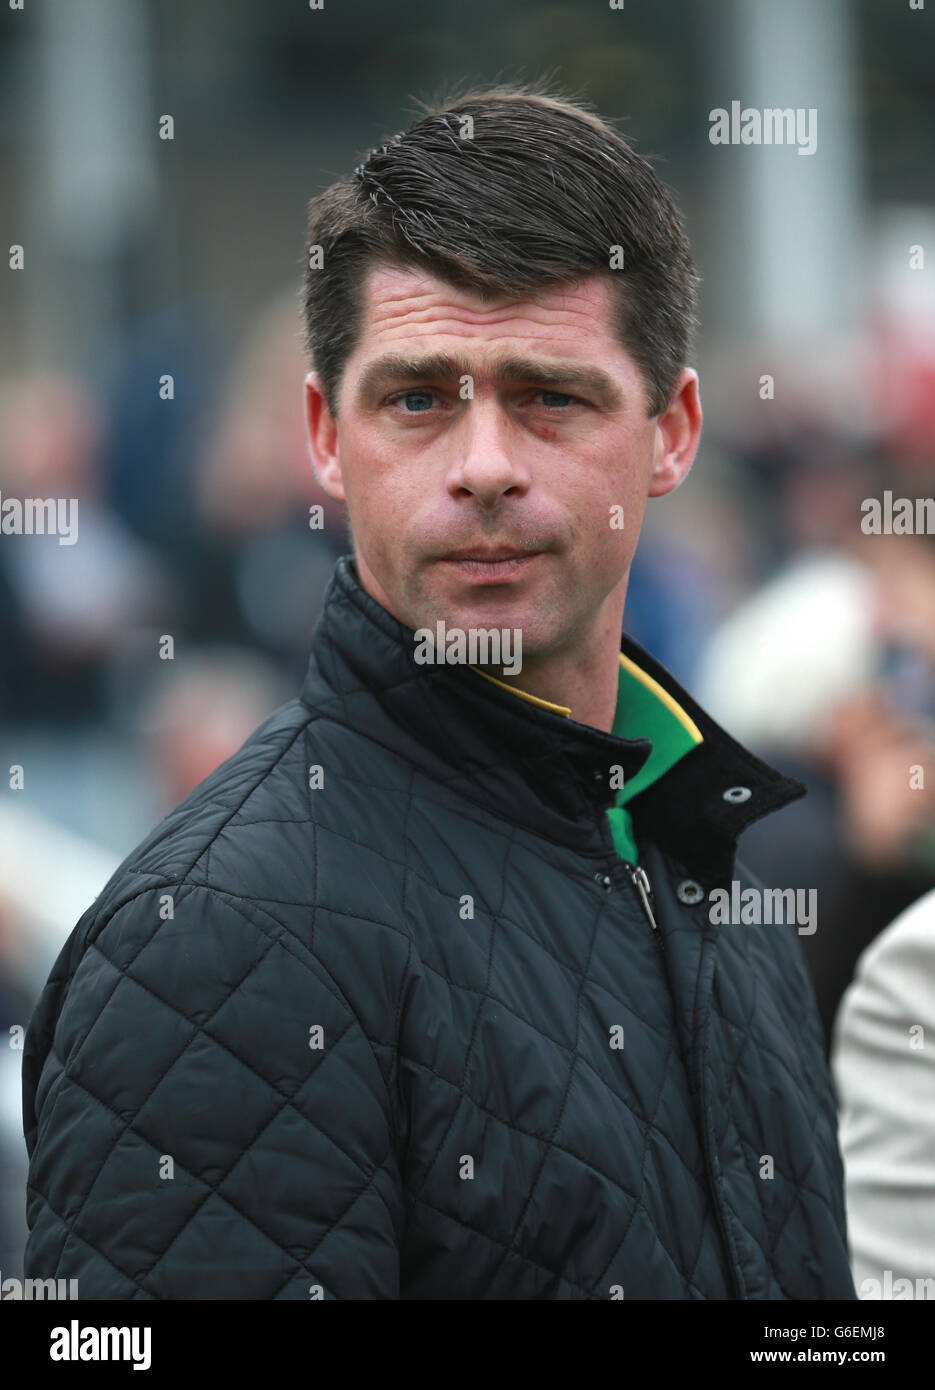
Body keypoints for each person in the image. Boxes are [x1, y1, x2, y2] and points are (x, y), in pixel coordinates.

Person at [22, 79, 856, 1300]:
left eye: (550, 396)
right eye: (416, 398)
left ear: (671, 433)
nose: (483, 467)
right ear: (324, 436)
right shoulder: (211, 940)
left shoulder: (705, 857)